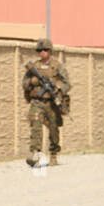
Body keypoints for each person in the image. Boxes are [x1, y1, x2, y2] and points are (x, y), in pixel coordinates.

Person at [23, 38, 70, 167]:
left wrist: (58, 87)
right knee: (35, 127)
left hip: (52, 102)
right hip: (37, 102)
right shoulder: (34, 67)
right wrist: (32, 82)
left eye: (45, 50)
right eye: (40, 50)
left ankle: (53, 155)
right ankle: (35, 155)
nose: (42, 52)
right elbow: (24, 84)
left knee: (53, 129)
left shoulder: (57, 66)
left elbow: (67, 83)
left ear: (50, 51)